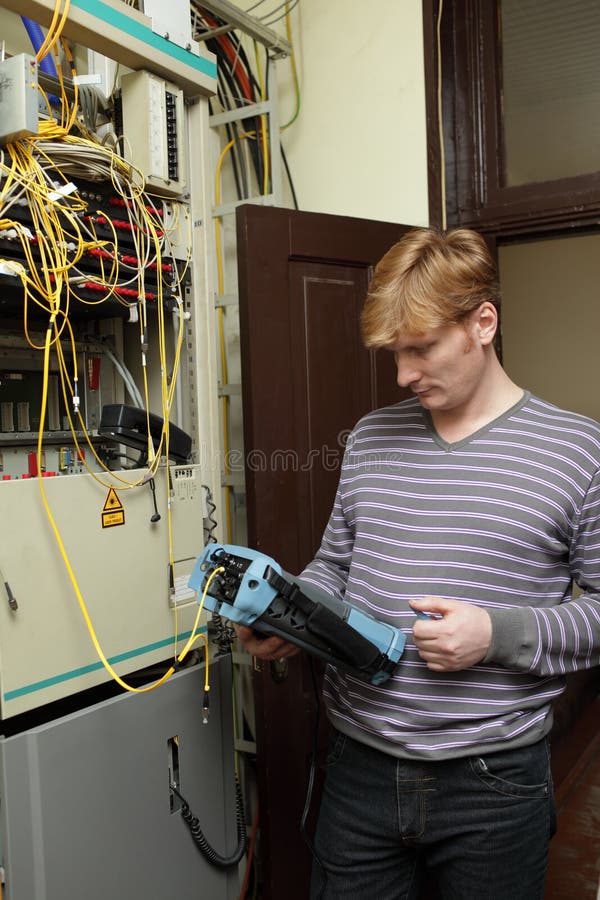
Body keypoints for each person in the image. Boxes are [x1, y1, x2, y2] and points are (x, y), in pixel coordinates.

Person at [236, 227, 600, 899]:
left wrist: (497, 635)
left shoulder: (577, 451)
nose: (404, 375)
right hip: (359, 769)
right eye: (395, 353)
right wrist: (292, 617)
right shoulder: (372, 436)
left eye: (421, 348)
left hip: (495, 783)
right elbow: (334, 566)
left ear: (482, 323)